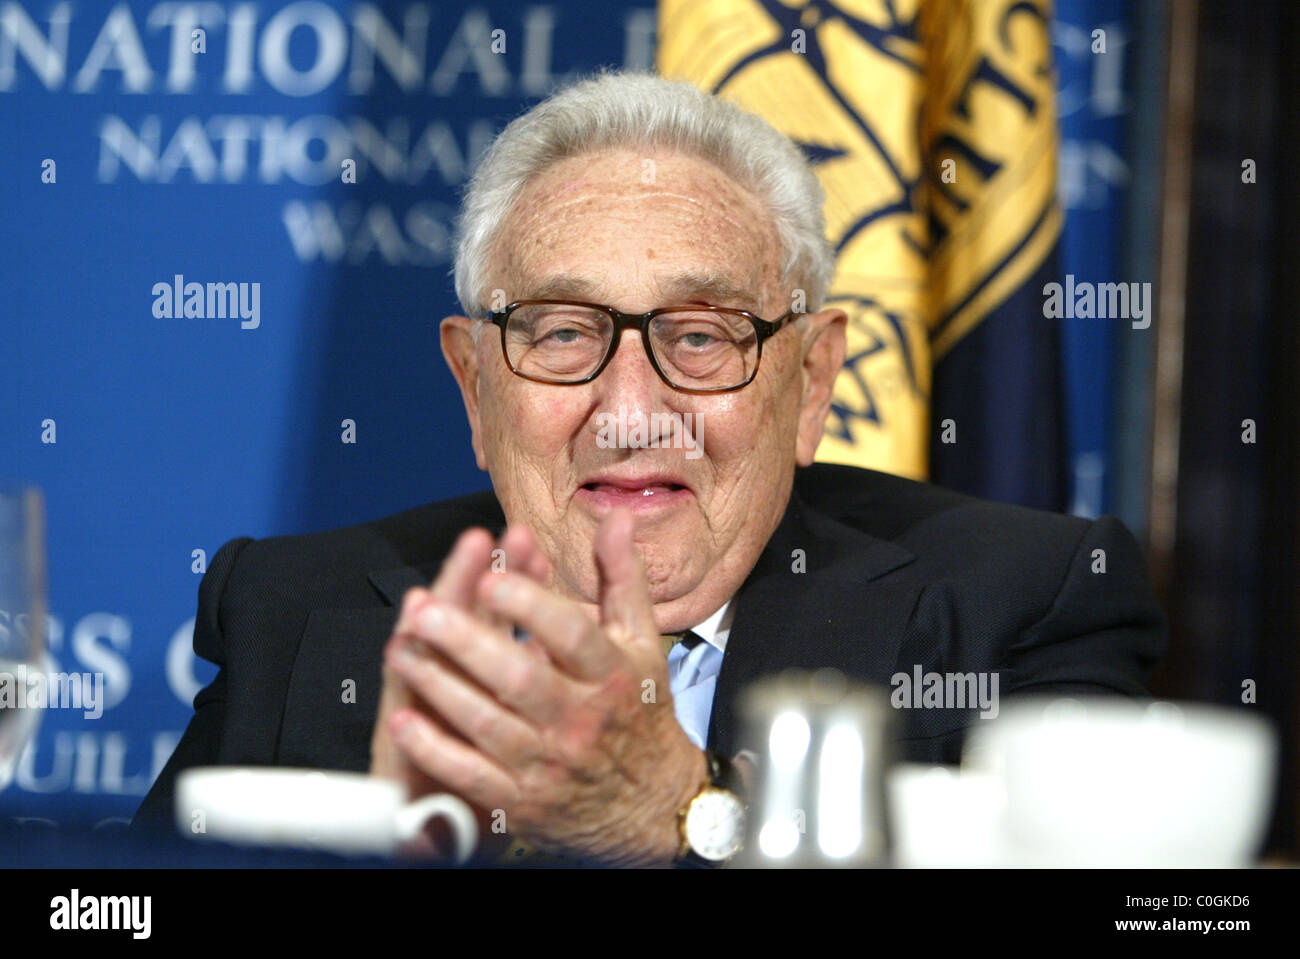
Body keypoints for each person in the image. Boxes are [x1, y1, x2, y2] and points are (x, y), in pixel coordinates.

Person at [132, 70, 1166, 866]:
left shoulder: (1025, 601)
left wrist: (680, 814)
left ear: (809, 383)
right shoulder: (291, 612)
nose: (628, 413)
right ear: (473, 384)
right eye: (564, 332)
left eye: (703, 336)